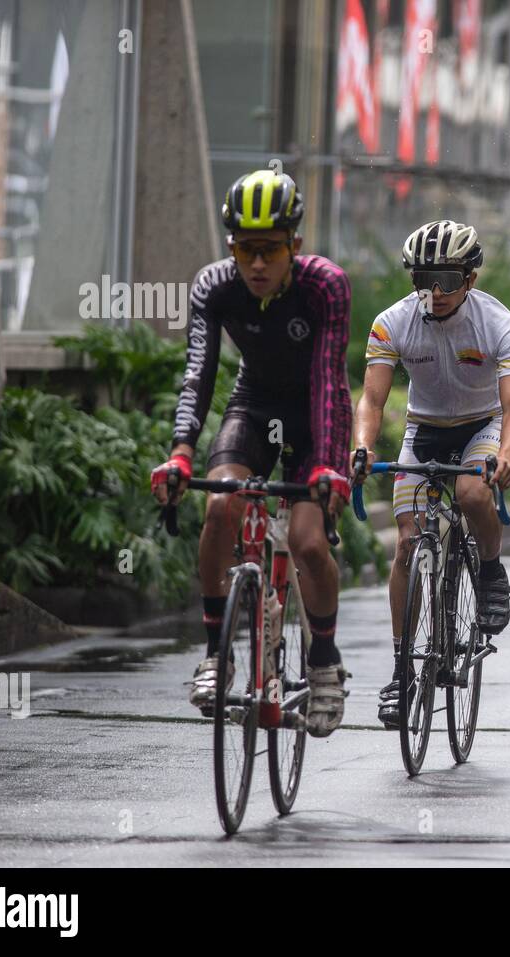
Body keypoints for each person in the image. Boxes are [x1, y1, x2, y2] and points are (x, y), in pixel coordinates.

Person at [150, 168, 353, 736]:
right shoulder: (216, 286)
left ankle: (324, 664)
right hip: (255, 402)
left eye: (268, 250)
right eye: (244, 249)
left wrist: (324, 467)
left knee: (310, 543)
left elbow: (329, 380)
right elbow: (199, 373)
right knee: (220, 507)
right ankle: (217, 652)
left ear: (295, 245)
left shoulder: (325, 286)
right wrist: (182, 453)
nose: (256, 265)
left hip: (316, 412)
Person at [352, 220, 510, 729]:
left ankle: (491, 571)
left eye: (447, 281)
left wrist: (507, 455)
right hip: (424, 429)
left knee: (474, 493)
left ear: (470, 279)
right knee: (407, 544)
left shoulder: (499, 324)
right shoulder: (392, 323)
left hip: (483, 424)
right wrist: (363, 447)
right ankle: (402, 671)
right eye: (423, 279)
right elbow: (373, 398)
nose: (434, 292)